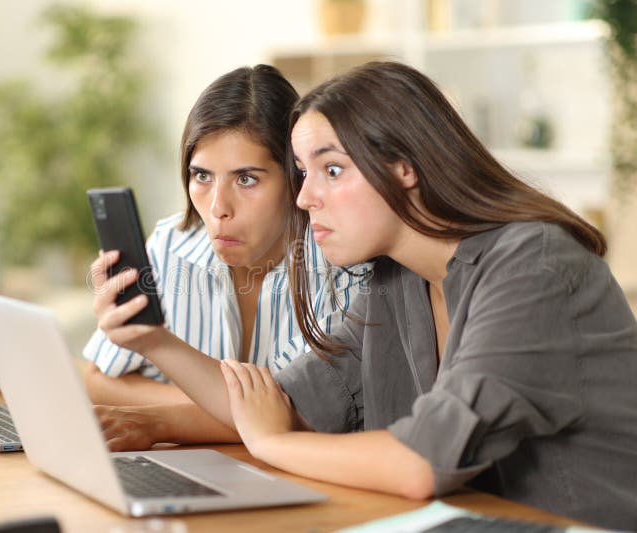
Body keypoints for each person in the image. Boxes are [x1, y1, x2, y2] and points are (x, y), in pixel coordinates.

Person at [95, 61, 637, 530]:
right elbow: (280, 404)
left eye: (332, 170)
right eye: (305, 173)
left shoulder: (532, 265)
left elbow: (424, 459)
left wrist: (272, 445)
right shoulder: (395, 280)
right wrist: (153, 340)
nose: (305, 198)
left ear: (404, 168)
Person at [84, 64, 370, 451]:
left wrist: (160, 420)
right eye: (202, 177)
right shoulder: (172, 244)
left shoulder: (344, 267)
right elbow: (99, 379)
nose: (218, 208)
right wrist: (224, 412)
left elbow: (303, 417)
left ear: (295, 178)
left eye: (246, 179)